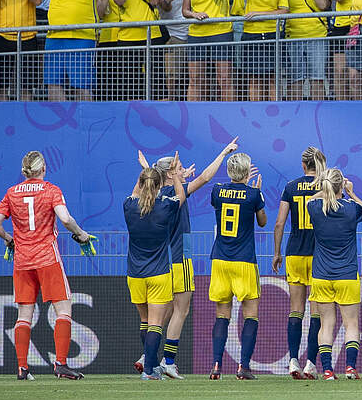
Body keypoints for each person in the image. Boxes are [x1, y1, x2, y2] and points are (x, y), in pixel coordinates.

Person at [0, 150, 96, 381]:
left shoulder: (12, 193)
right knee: (63, 310)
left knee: (24, 314)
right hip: (47, 258)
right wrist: (81, 235)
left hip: (23, 261)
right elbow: (65, 219)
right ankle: (61, 364)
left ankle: (22, 368)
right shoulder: (51, 190)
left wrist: (9, 239)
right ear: (44, 168)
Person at [137, 139, 238, 378]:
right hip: (179, 256)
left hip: (160, 259)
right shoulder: (174, 193)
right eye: (179, 169)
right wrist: (223, 153)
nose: (184, 171)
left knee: (165, 310)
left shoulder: (155, 193)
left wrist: (173, 176)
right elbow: (204, 177)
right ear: (170, 174)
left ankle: (148, 355)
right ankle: (168, 361)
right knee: (181, 309)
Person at [206, 152, 267, 380]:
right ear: (247, 171)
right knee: (250, 315)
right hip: (244, 260)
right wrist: (256, 192)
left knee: (222, 314)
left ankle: (215, 365)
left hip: (220, 259)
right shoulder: (253, 194)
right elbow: (262, 222)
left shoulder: (217, 191)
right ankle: (243, 366)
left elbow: (222, 203)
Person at [307, 167, 362, 380]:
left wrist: (325, 188)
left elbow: (312, 199)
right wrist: (350, 192)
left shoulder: (315, 207)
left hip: (321, 275)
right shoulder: (351, 209)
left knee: (326, 324)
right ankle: (350, 368)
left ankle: (327, 370)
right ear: (340, 186)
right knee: (351, 324)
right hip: (347, 274)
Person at [125, 160, 185, 381]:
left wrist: (145, 171)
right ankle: (150, 370)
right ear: (160, 184)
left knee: (144, 321)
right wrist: (175, 175)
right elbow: (181, 197)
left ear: (141, 183)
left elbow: (135, 192)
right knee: (156, 325)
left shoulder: (129, 206)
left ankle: (150, 367)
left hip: (135, 274)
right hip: (159, 273)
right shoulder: (165, 206)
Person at [273, 147, 328, 379]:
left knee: (296, 310)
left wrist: (277, 253)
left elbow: (279, 224)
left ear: (303, 165)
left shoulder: (290, 187)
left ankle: (293, 360)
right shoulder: (325, 186)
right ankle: (311, 363)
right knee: (317, 311)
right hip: (318, 254)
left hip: (294, 252)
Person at [41, 0, 98, 101]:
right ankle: (63, 126)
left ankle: (85, 124)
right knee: (53, 85)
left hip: (82, 36)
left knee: (82, 86)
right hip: (55, 36)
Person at [181, 0, 234, 101]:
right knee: (195, 79)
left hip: (221, 32)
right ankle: (194, 114)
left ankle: (227, 113)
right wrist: (194, 14)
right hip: (197, 34)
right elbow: (184, 10)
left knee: (224, 79)